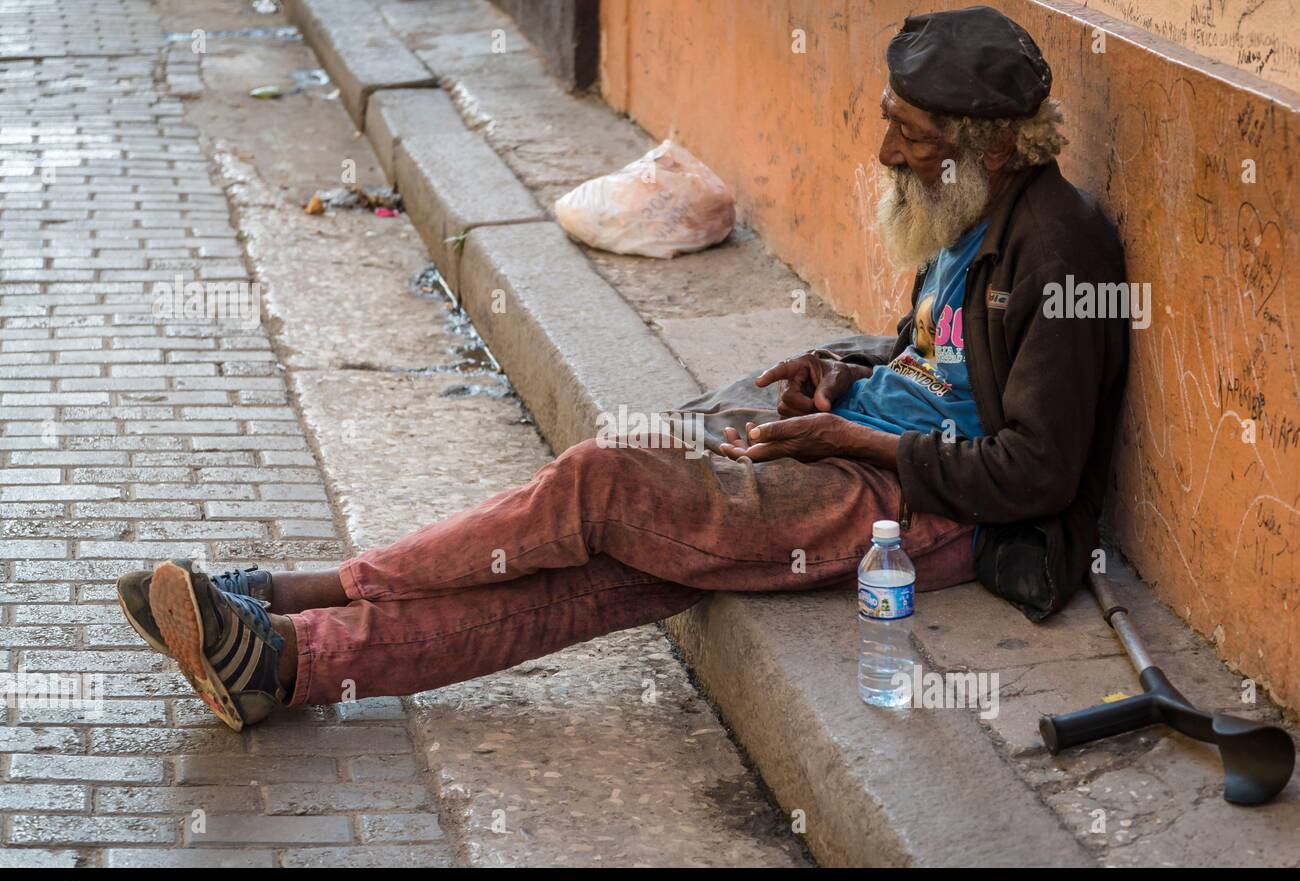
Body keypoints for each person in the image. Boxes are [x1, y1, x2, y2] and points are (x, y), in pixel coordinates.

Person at [116, 6, 1128, 730]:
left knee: (603, 484)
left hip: (919, 509)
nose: (883, 152)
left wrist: (851, 436)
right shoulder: (969, 213)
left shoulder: (1058, 248)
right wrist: (838, 367)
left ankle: (302, 594)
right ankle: (289, 663)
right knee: (615, 552)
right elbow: (933, 350)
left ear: (981, 146)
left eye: (907, 136)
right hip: (860, 450)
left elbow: (1032, 472)